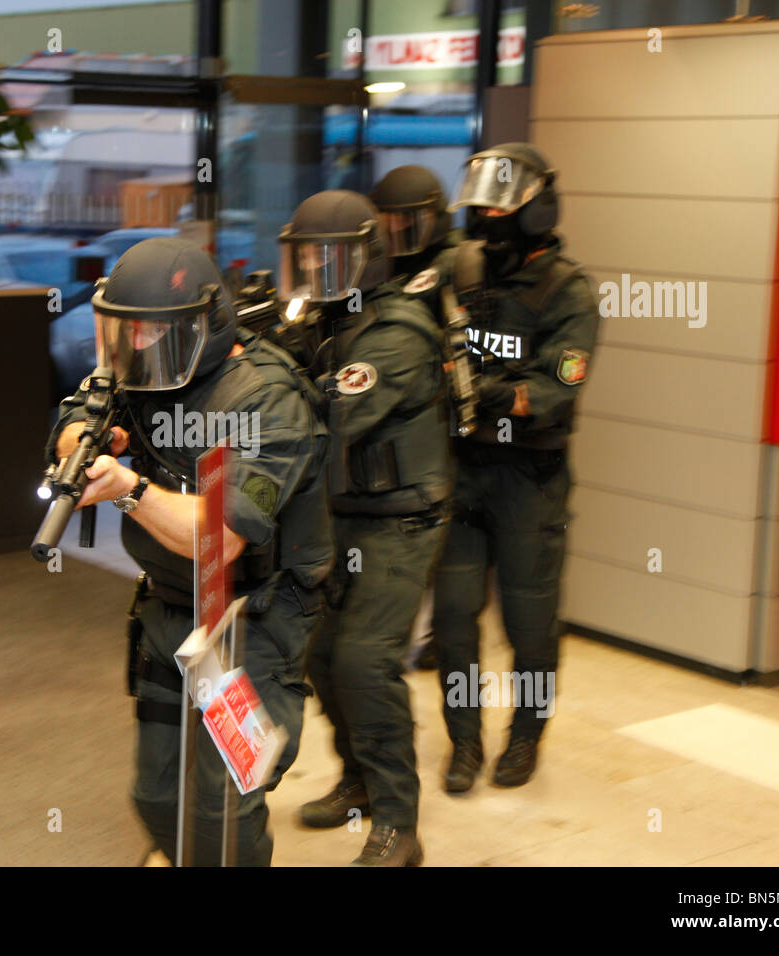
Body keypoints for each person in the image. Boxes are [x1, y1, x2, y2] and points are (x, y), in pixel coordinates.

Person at [45, 237, 332, 866]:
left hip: (255, 616)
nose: (133, 349)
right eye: (125, 334)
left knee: (223, 809)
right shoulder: (146, 365)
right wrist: (83, 436)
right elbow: (79, 406)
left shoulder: (268, 400)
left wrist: (125, 487)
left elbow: (221, 537)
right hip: (170, 605)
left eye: (150, 334)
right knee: (153, 796)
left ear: (203, 326)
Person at [288, 190, 454, 866]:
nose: (316, 271)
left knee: (364, 662)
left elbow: (327, 421)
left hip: (401, 523)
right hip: (342, 518)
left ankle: (397, 824)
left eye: (330, 258)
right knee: (321, 657)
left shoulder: (398, 334)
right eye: (306, 257)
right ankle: (356, 778)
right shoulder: (328, 325)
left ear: (367, 258)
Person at [430, 143, 599, 792]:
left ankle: (525, 738)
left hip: (529, 480)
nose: (487, 219)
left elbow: (554, 389)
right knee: (452, 618)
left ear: (538, 209)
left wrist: (490, 391)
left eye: (501, 207)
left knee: (529, 623)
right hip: (464, 470)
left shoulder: (569, 291)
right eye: (481, 206)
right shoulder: (461, 269)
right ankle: (464, 742)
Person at [369, 163, 459, 673]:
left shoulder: (451, 265)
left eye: (411, 222)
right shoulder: (387, 272)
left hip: (439, 418)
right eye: (390, 222)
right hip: (402, 416)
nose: (400, 233)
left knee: (436, 539)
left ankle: (432, 635)